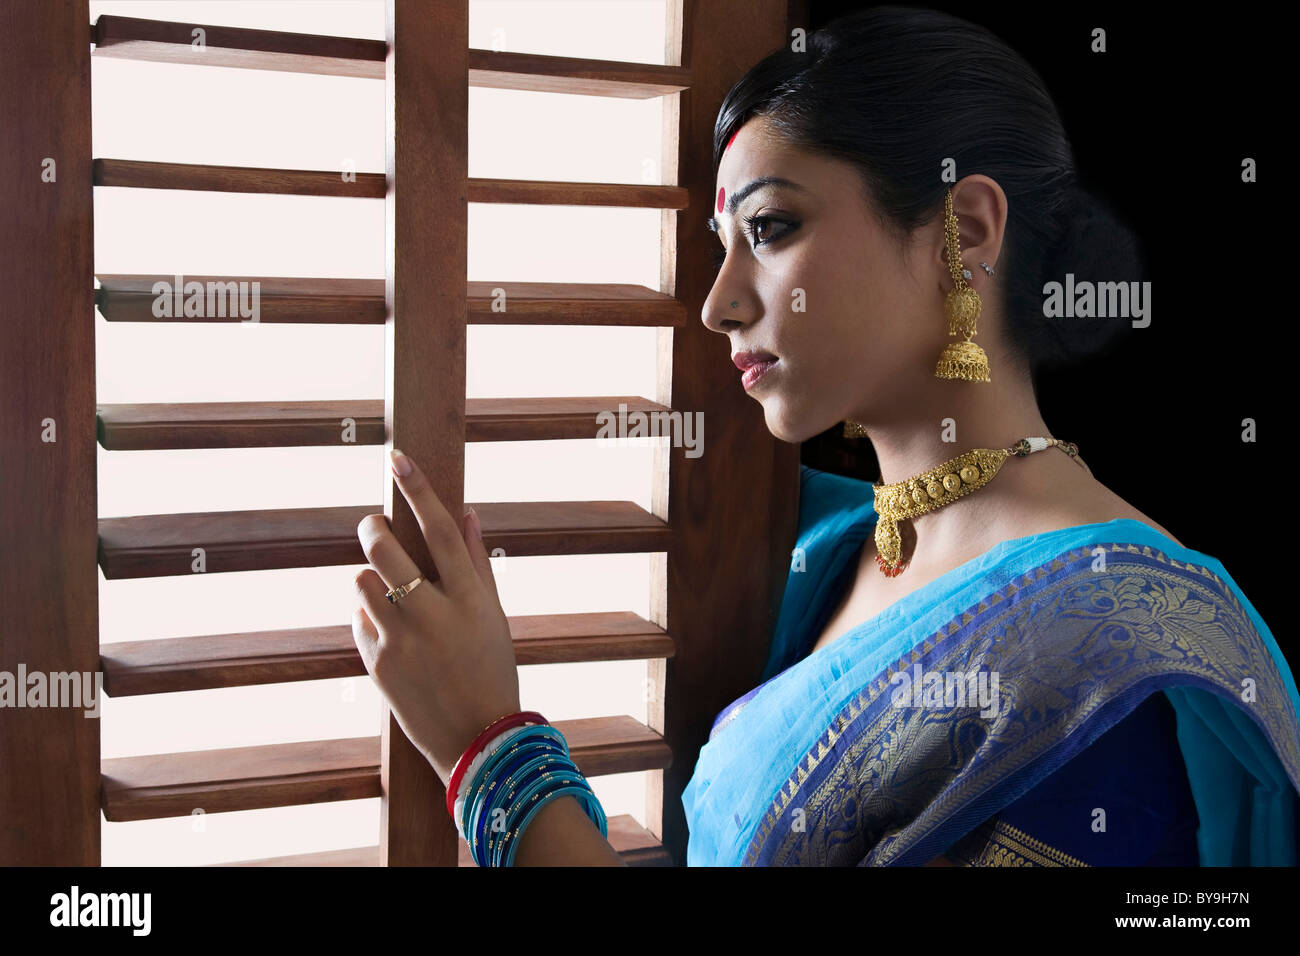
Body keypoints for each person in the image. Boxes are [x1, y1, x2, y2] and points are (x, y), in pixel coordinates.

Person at [349, 6, 1300, 866]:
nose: (719, 304)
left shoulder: (1101, 651)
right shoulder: (819, 548)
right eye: (721, 246)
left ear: (962, 233)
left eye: (771, 226)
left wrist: (491, 756)